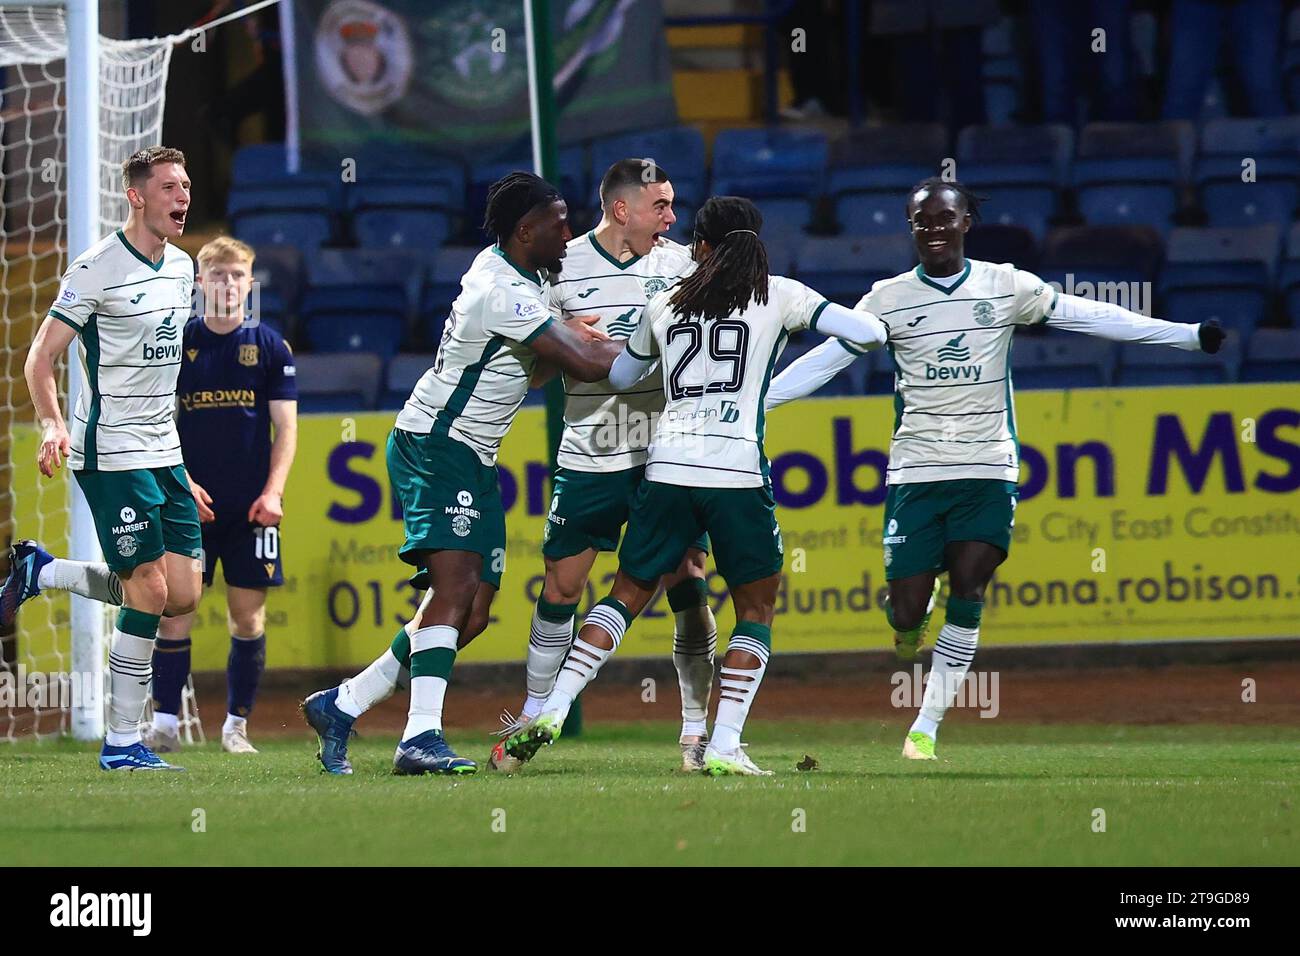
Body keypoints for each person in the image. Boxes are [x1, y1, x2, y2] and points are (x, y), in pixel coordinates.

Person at [762, 177, 1227, 760]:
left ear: (965, 224)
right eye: (920, 221)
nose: (933, 229)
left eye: (943, 219)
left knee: (970, 585)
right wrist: (762, 401)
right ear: (911, 229)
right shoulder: (887, 298)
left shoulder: (1004, 285)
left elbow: (1085, 315)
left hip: (988, 464)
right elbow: (829, 359)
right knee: (905, 613)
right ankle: (907, 621)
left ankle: (925, 728)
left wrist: (1183, 337)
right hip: (917, 470)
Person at [501, 196, 888, 776]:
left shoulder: (665, 303)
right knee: (755, 606)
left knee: (625, 595)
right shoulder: (780, 294)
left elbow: (625, 375)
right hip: (735, 471)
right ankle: (724, 744)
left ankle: (552, 710)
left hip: (666, 468)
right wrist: (773, 390)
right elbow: (869, 332)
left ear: (700, 248)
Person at [300, 172, 622, 775]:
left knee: (472, 612)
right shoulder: (506, 291)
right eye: (558, 224)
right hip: (439, 444)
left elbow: (539, 369)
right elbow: (585, 362)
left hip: (471, 453)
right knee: (452, 590)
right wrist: (653, 345)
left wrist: (571, 343)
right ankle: (419, 739)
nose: (569, 233)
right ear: (526, 231)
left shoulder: (520, 274)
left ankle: (343, 705)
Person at [489, 158, 719, 775]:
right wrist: (562, 340)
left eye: (674, 204)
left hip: (664, 455)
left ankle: (696, 730)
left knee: (688, 582)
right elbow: (534, 369)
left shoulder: (682, 269)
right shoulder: (561, 270)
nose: (673, 217)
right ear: (623, 209)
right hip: (589, 456)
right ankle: (536, 715)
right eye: (661, 206)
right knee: (562, 586)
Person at [4, 146, 200, 771]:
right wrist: (53, 424)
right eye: (169, 186)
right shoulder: (96, 269)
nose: (183, 196)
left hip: (163, 448)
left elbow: (161, 375)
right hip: (108, 447)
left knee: (182, 595)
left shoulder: (183, 268)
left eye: (187, 185)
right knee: (147, 589)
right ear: (137, 196)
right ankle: (121, 743)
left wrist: (182, 471)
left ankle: (44, 572)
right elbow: (40, 357)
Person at [142, 236, 297, 756]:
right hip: (188, 506)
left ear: (249, 284)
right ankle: (164, 722)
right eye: (217, 276)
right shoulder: (178, 344)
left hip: (254, 510)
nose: (227, 285)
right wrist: (182, 482)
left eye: (236, 276)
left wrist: (274, 492)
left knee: (247, 619)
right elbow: (158, 421)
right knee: (175, 611)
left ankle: (236, 726)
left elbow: (286, 430)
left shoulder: (272, 347)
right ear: (199, 284)